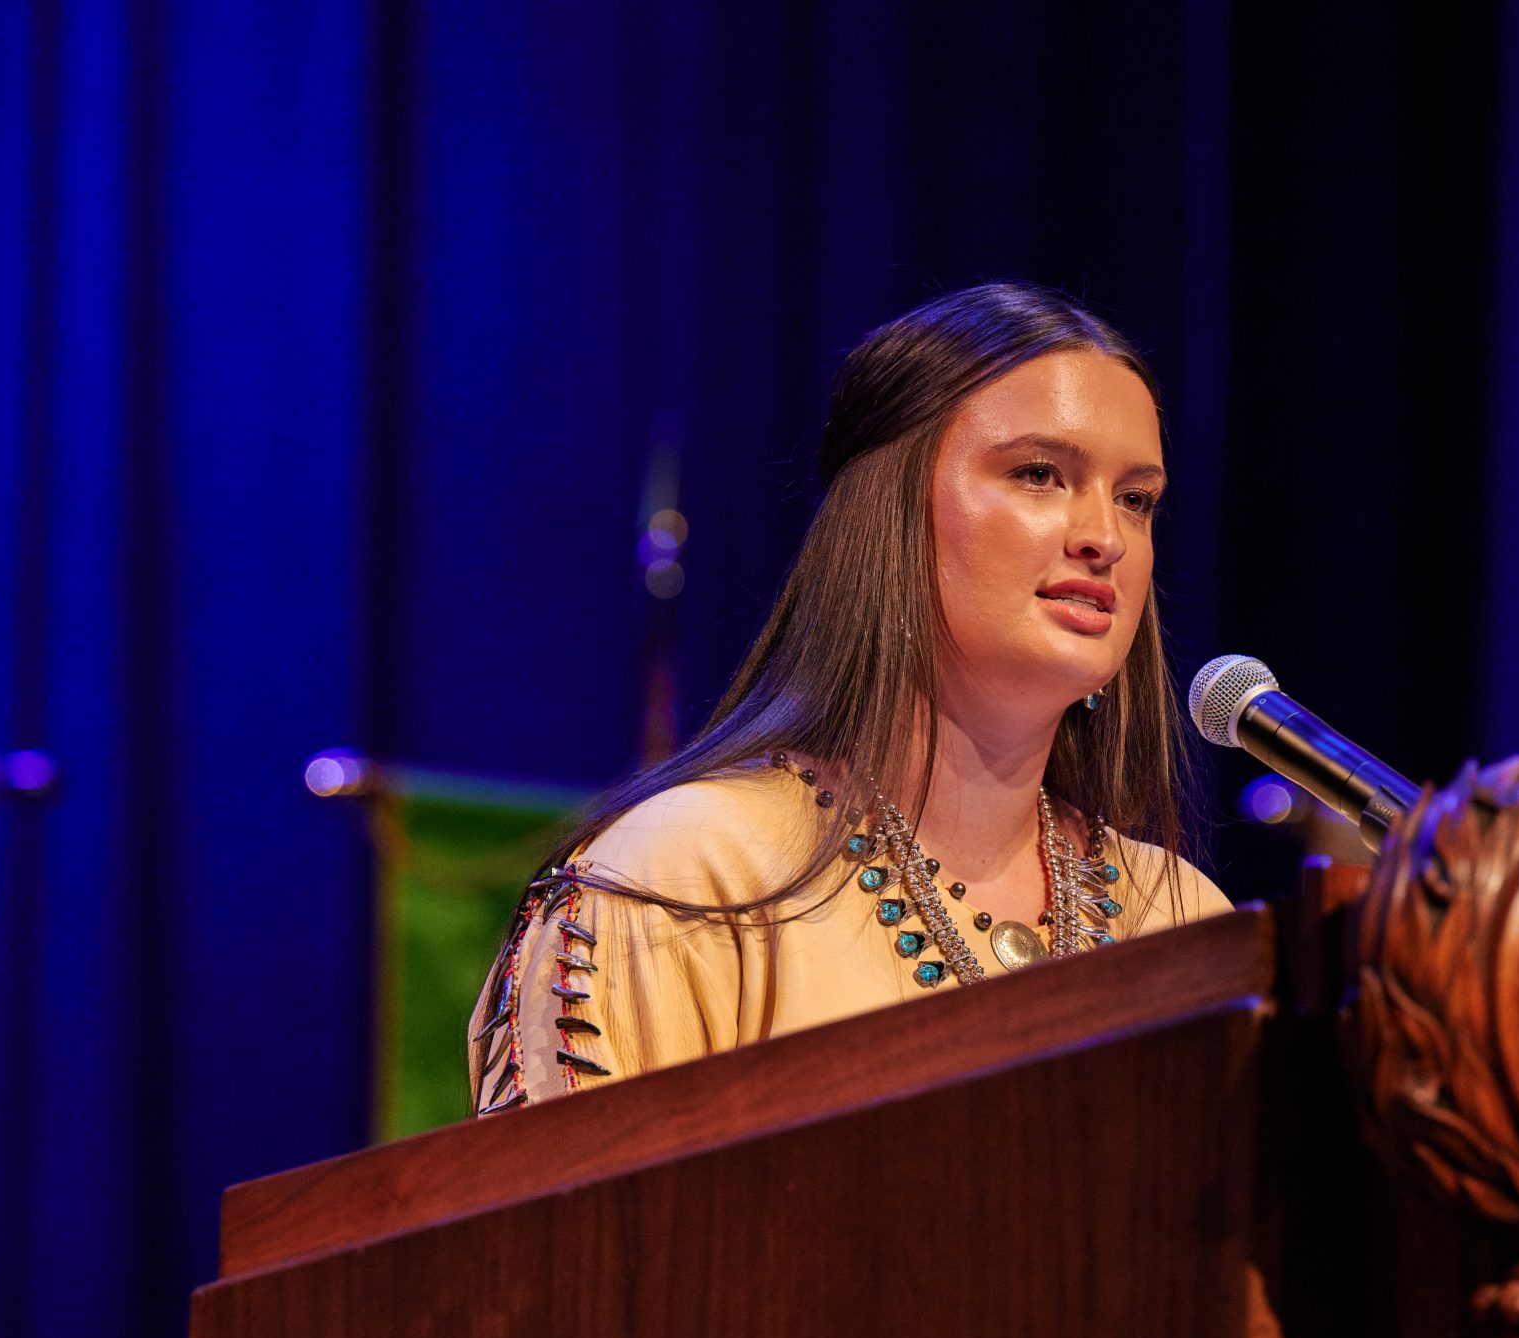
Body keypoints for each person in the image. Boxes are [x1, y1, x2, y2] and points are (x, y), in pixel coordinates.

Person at [468, 281, 1233, 1112]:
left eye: (1136, 499)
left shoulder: (1180, 916)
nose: (1104, 537)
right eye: (1039, 473)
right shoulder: (684, 876)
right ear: (889, 511)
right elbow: (587, 1238)